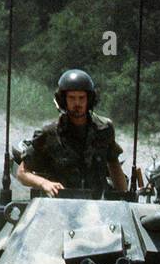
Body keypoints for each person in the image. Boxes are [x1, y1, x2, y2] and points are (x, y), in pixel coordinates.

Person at [15, 69, 129, 197]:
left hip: (96, 207)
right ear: (63, 100)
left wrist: (124, 197)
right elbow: (22, 173)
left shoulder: (104, 129)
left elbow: (114, 164)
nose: (77, 103)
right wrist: (44, 183)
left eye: (81, 98)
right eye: (72, 98)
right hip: (59, 207)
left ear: (89, 100)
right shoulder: (49, 133)